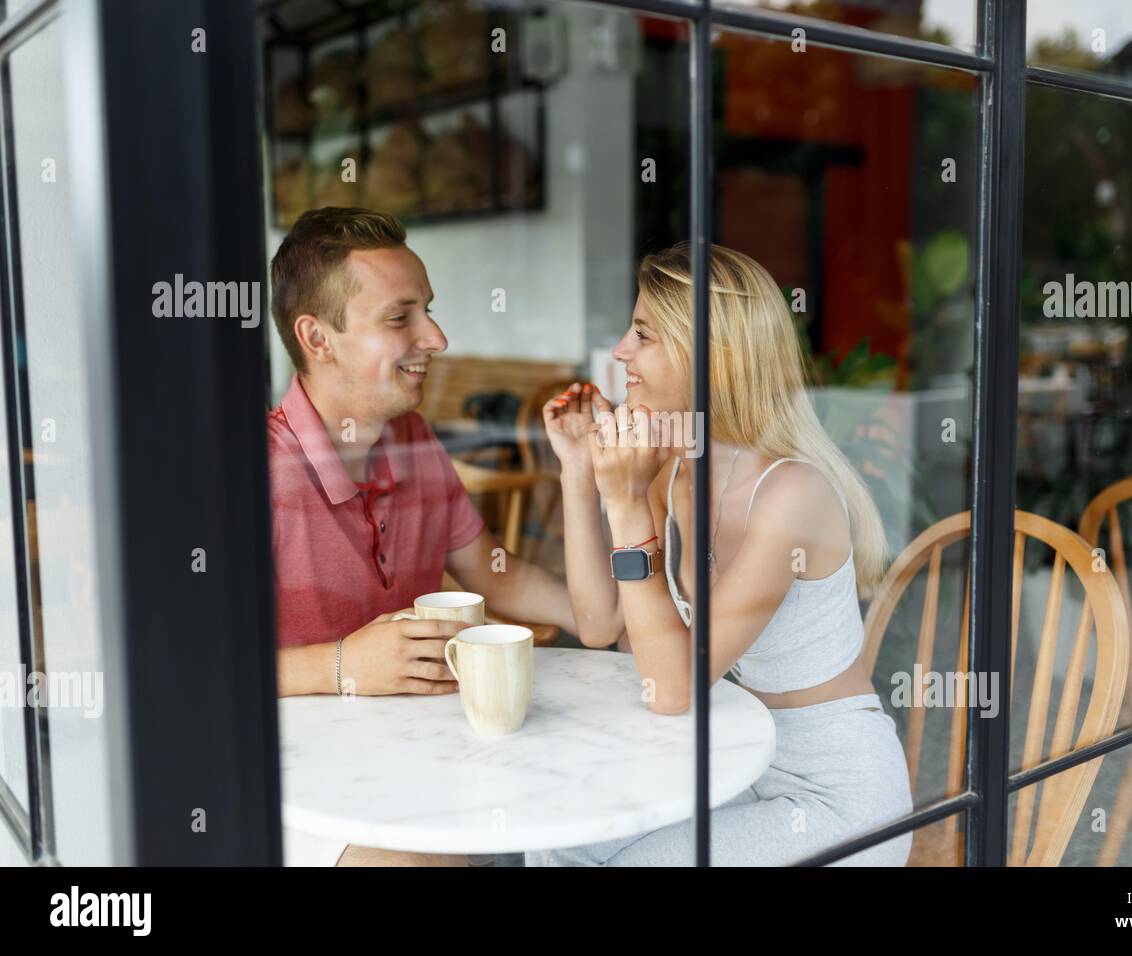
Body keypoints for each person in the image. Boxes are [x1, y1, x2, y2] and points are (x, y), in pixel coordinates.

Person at [529, 242, 912, 866]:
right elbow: (602, 626)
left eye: (644, 334)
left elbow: (672, 687)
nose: (621, 351)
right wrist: (579, 474)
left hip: (839, 799)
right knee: (557, 839)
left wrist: (626, 514)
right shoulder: (671, 468)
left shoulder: (793, 493)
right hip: (742, 761)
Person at [266, 207, 577, 865]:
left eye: (427, 311)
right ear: (318, 339)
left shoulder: (412, 441)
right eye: (400, 317)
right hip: (291, 783)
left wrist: (623, 620)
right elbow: (193, 670)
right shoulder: (255, 470)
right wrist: (346, 665)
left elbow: (499, 576)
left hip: (409, 757)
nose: (436, 337)